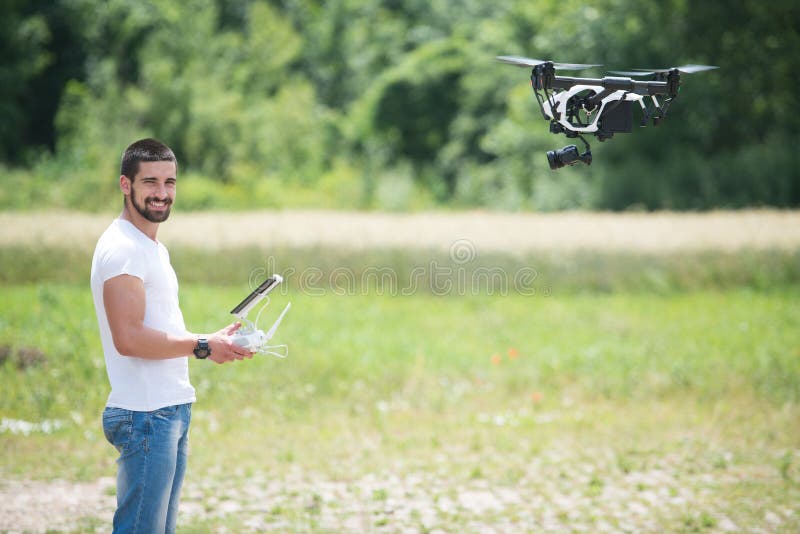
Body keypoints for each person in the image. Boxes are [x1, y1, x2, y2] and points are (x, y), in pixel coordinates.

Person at [90, 138, 252, 533]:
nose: (162, 193)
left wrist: (208, 340)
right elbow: (127, 338)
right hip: (146, 415)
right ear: (125, 185)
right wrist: (201, 346)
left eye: (170, 182)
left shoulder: (151, 248)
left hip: (169, 408)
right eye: (150, 182)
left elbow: (157, 330)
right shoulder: (123, 249)